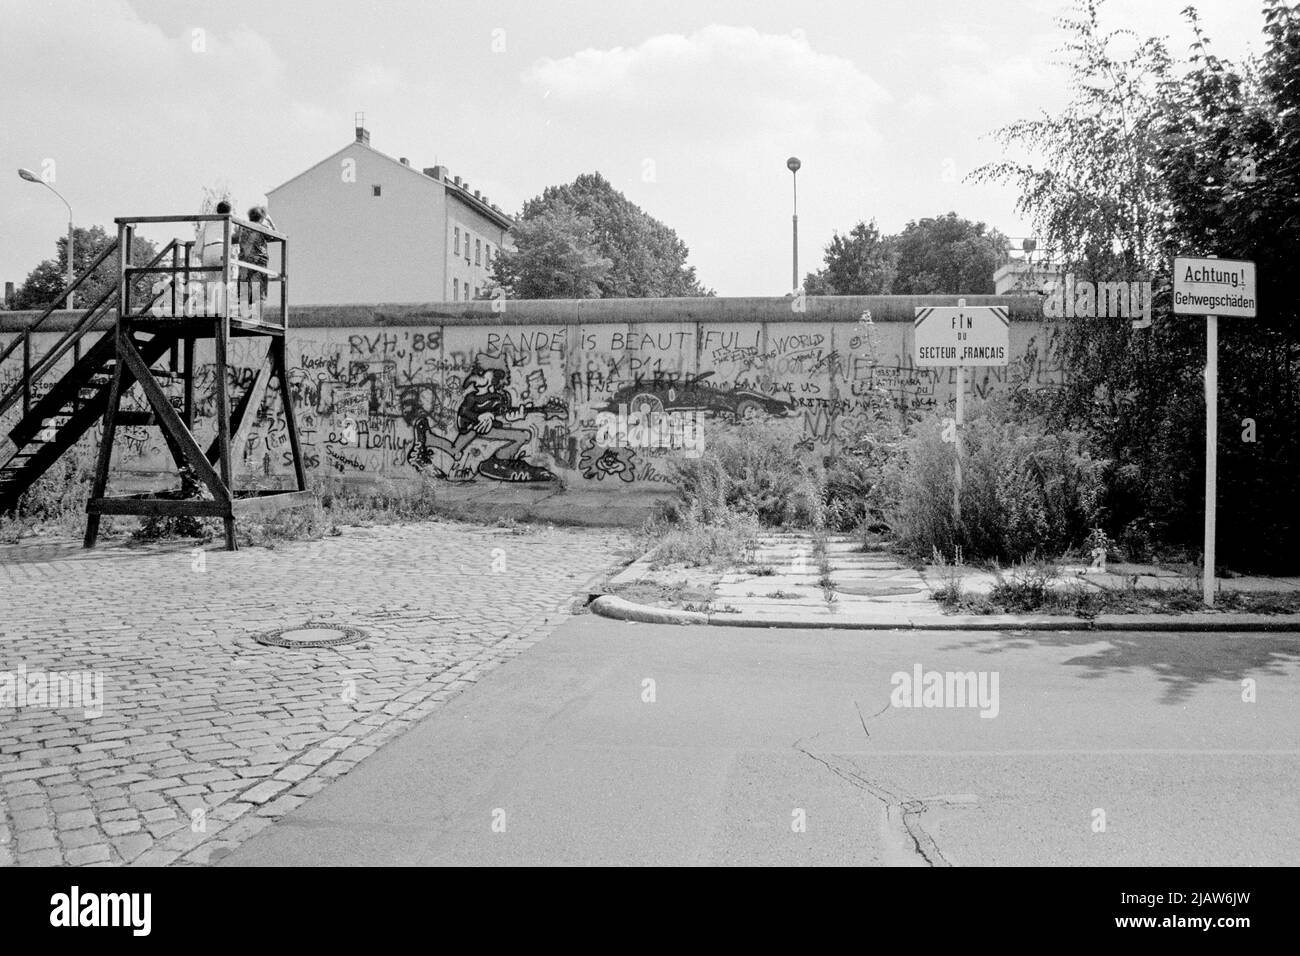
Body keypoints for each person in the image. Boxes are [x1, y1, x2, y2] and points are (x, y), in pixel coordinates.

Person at [239, 206, 276, 318]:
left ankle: (244, 316)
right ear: (262, 217)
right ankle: (257, 318)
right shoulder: (263, 227)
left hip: (244, 260)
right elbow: (274, 236)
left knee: (245, 287)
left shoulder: (243, 227)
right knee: (259, 289)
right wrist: (270, 221)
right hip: (258, 261)